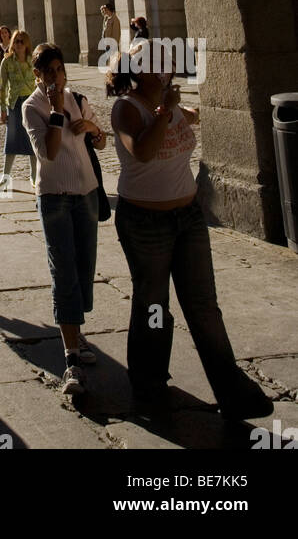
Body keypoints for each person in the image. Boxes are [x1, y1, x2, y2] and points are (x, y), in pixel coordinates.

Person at [108, 40, 272, 420]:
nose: (163, 65)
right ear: (137, 69)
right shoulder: (126, 109)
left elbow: (192, 118)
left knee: (205, 307)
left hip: (188, 216)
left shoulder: (172, 104)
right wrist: (165, 113)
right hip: (145, 222)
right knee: (154, 306)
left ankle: (231, 388)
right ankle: (149, 386)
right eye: (152, 61)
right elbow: (143, 151)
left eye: (164, 58)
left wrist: (193, 110)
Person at [23, 42, 106, 397]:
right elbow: (50, 152)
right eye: (48, 71)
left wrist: (91, 128)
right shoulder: (31, 107)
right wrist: (57, 112)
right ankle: (70, 350)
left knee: (85, 267)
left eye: (59, 69)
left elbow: (101, 143)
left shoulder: (79, 97)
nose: (56, 77)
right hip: (55, 197)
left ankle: (76, 328)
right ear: (37, 75)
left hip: (85, 192)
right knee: (64, 269)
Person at [0, 29, 38, 192]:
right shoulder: (7, 61)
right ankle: (5, 178)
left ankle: (34, 175)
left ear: (27, 44)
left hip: (31, 103)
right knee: (11, 142)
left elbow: (40, 81)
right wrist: (2, 109)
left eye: (21, 41)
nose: (18, 44)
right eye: (16, 41)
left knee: (32, 140)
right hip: (14, 104)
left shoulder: (32, 61)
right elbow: (2, 87)